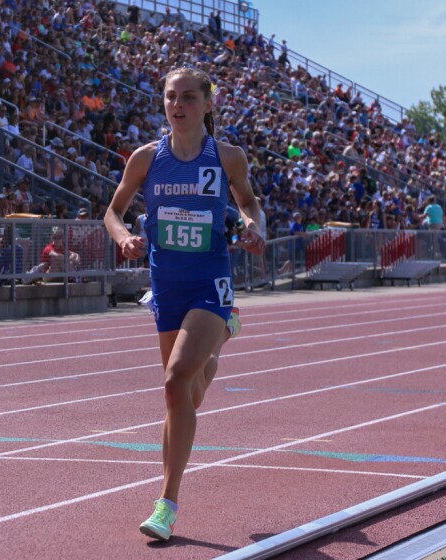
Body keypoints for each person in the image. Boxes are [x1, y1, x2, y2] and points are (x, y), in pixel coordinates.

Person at [103, 67, 265, 542]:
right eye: (171, 97)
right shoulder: (146, 158)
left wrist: (254, 227)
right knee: (181, 396)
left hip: (209, 281)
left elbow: (250, 203)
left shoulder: (228, 157)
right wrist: (124, 237)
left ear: (208, 104)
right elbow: (113, 210)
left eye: (189, 97)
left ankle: (167, 504)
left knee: (175, 380)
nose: (178, 105)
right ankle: (219, 341)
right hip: (166, 285)